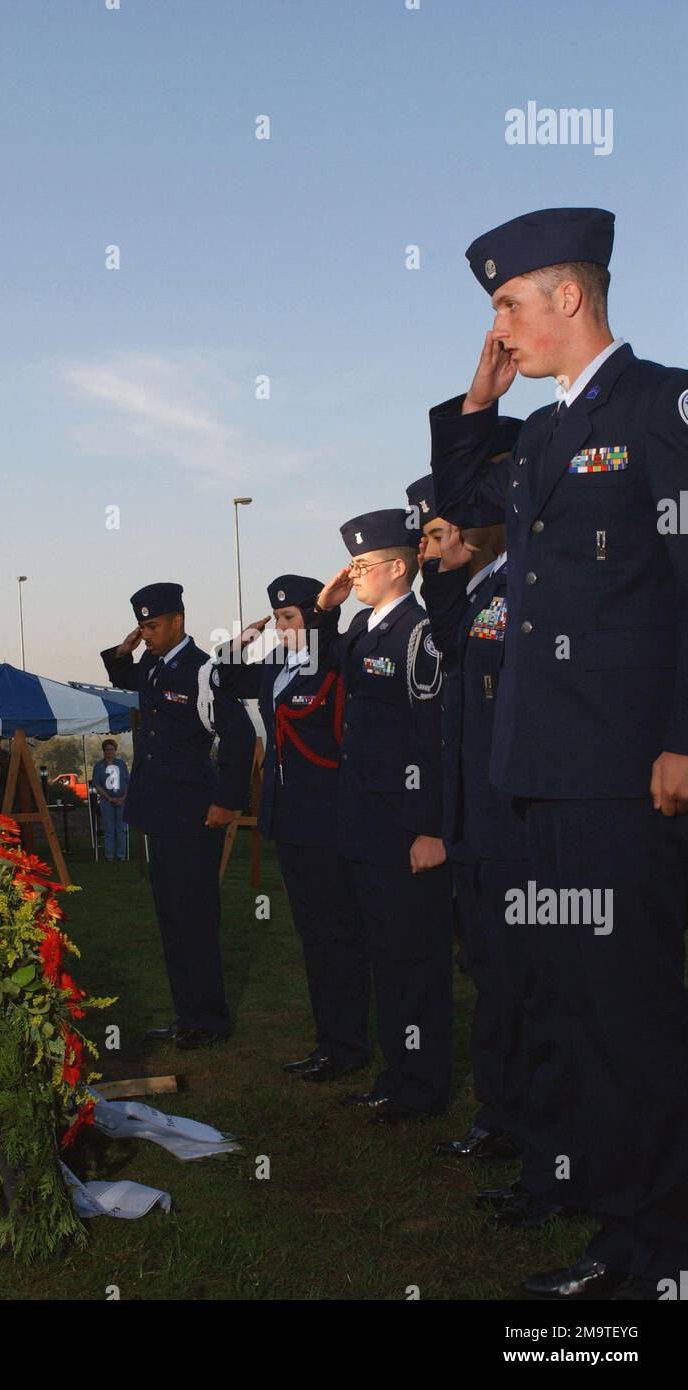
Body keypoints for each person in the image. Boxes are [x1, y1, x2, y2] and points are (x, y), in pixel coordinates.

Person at [429, 206, 688, 1299]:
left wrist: (681, 735)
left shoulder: (664, 404)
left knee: (631, 1012)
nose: (498, 327)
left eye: (505, 305)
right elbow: (462, 506)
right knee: (575, 1007)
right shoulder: (535, 434)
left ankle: (661, 1250)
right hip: (535, 769)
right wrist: (477, 406)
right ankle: (617, 1228)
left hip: (623, 771)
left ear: (566, 298)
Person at [415, 461, 551, 1228]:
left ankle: (548, 1153)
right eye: (434, 532)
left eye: (446, 529)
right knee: (493, 985)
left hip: (514, 829)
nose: (438, 543)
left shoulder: (522, 584)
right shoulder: (474, 596)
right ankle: (500, 1123)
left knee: (528, 991)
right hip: (474, 825)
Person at [314, 509, 454, 1125]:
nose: (354, 574)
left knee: (414, 964)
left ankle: (421, 1087)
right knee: (385, 961)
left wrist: (429, 826)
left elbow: (433, 736)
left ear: (398, 567)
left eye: (363, 565)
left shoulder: (420, 632)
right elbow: (325, 666)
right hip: (366, 825)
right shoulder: (366, 630)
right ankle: (397, 1074)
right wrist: (326, 609)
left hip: (403, 826)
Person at [213, 574, 370, 1081]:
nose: (281, 627)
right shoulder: (277, 666)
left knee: (337, 933)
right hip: (290, 819)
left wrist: (322, 615)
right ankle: (329, 1040)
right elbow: (224, 680)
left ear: (312, 617)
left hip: (328, 817)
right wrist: (241, 643)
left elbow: (328, 645)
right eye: (277, 618)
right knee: (314, 935)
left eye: (289, 617)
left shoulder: (333, 655)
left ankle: (348, 1045)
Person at [100, 582, 255, 1049]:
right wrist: (122, 652)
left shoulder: (204, 670)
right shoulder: (152, 664)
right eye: (141, 626)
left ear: (177, 622)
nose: (144, 634)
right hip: (161, 812)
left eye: (151, 626)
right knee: (171, 920)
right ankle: (187, 1014)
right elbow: (125, 680)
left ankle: (210, 1018)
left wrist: (227, 801)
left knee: (195, 919)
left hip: (194, 813)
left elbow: (241, 737)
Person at [91, 738, 129, 862]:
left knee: (121, 829)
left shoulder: (121, 764)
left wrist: (123, 797)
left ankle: (121, 855)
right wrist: (109, 798)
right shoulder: (99, 766)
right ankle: (109, 856)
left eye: (112, 749)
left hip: (121, 800)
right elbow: (97, 784)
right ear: (104, 751)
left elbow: (128, 782)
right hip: (106, 801)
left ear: (115, 750)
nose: (110, 752)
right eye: (107, 749)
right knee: (109, 829)